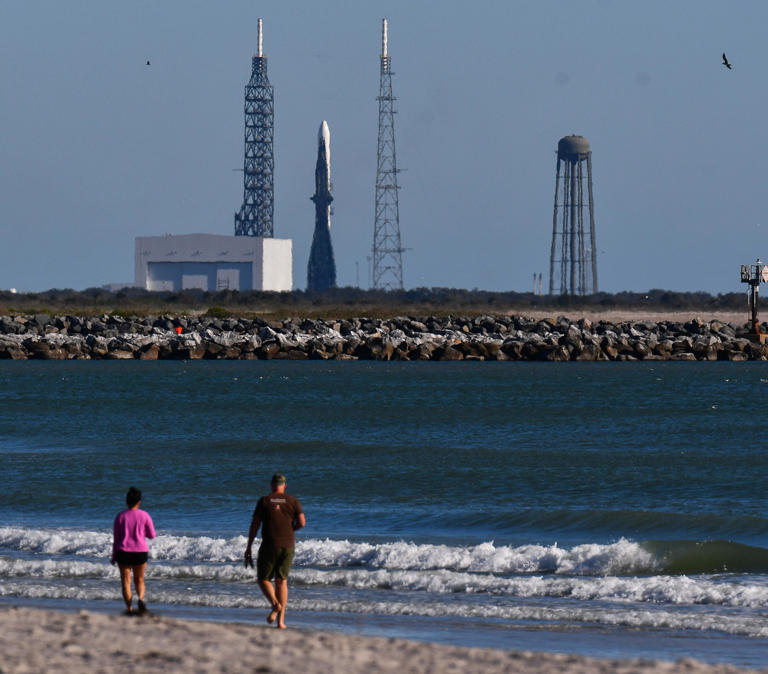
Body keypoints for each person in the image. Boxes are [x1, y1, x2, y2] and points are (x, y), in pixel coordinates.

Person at [244, 472, 305, 629]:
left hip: (270, 545)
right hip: (288, 545)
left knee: (263, 579)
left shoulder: (264, 501)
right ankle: (281, 622)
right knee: (282, 581)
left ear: (272, 485)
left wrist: (249, 545)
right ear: (285, 485)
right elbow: (302, 522)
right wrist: (291, 529)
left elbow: (255, 524)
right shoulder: (293, 501)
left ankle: (275, 604)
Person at [110, 486, 156, 615]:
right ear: (139, 502)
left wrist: (113, 556)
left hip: (123, 552)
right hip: (140, 551)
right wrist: (141, 532)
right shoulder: (145, 515)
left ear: (127, 501)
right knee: (139, 579)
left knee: (126, 581)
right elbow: (152, 535)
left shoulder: (120, 516)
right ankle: (140, 599)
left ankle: (130, 609)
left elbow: (116, 539)